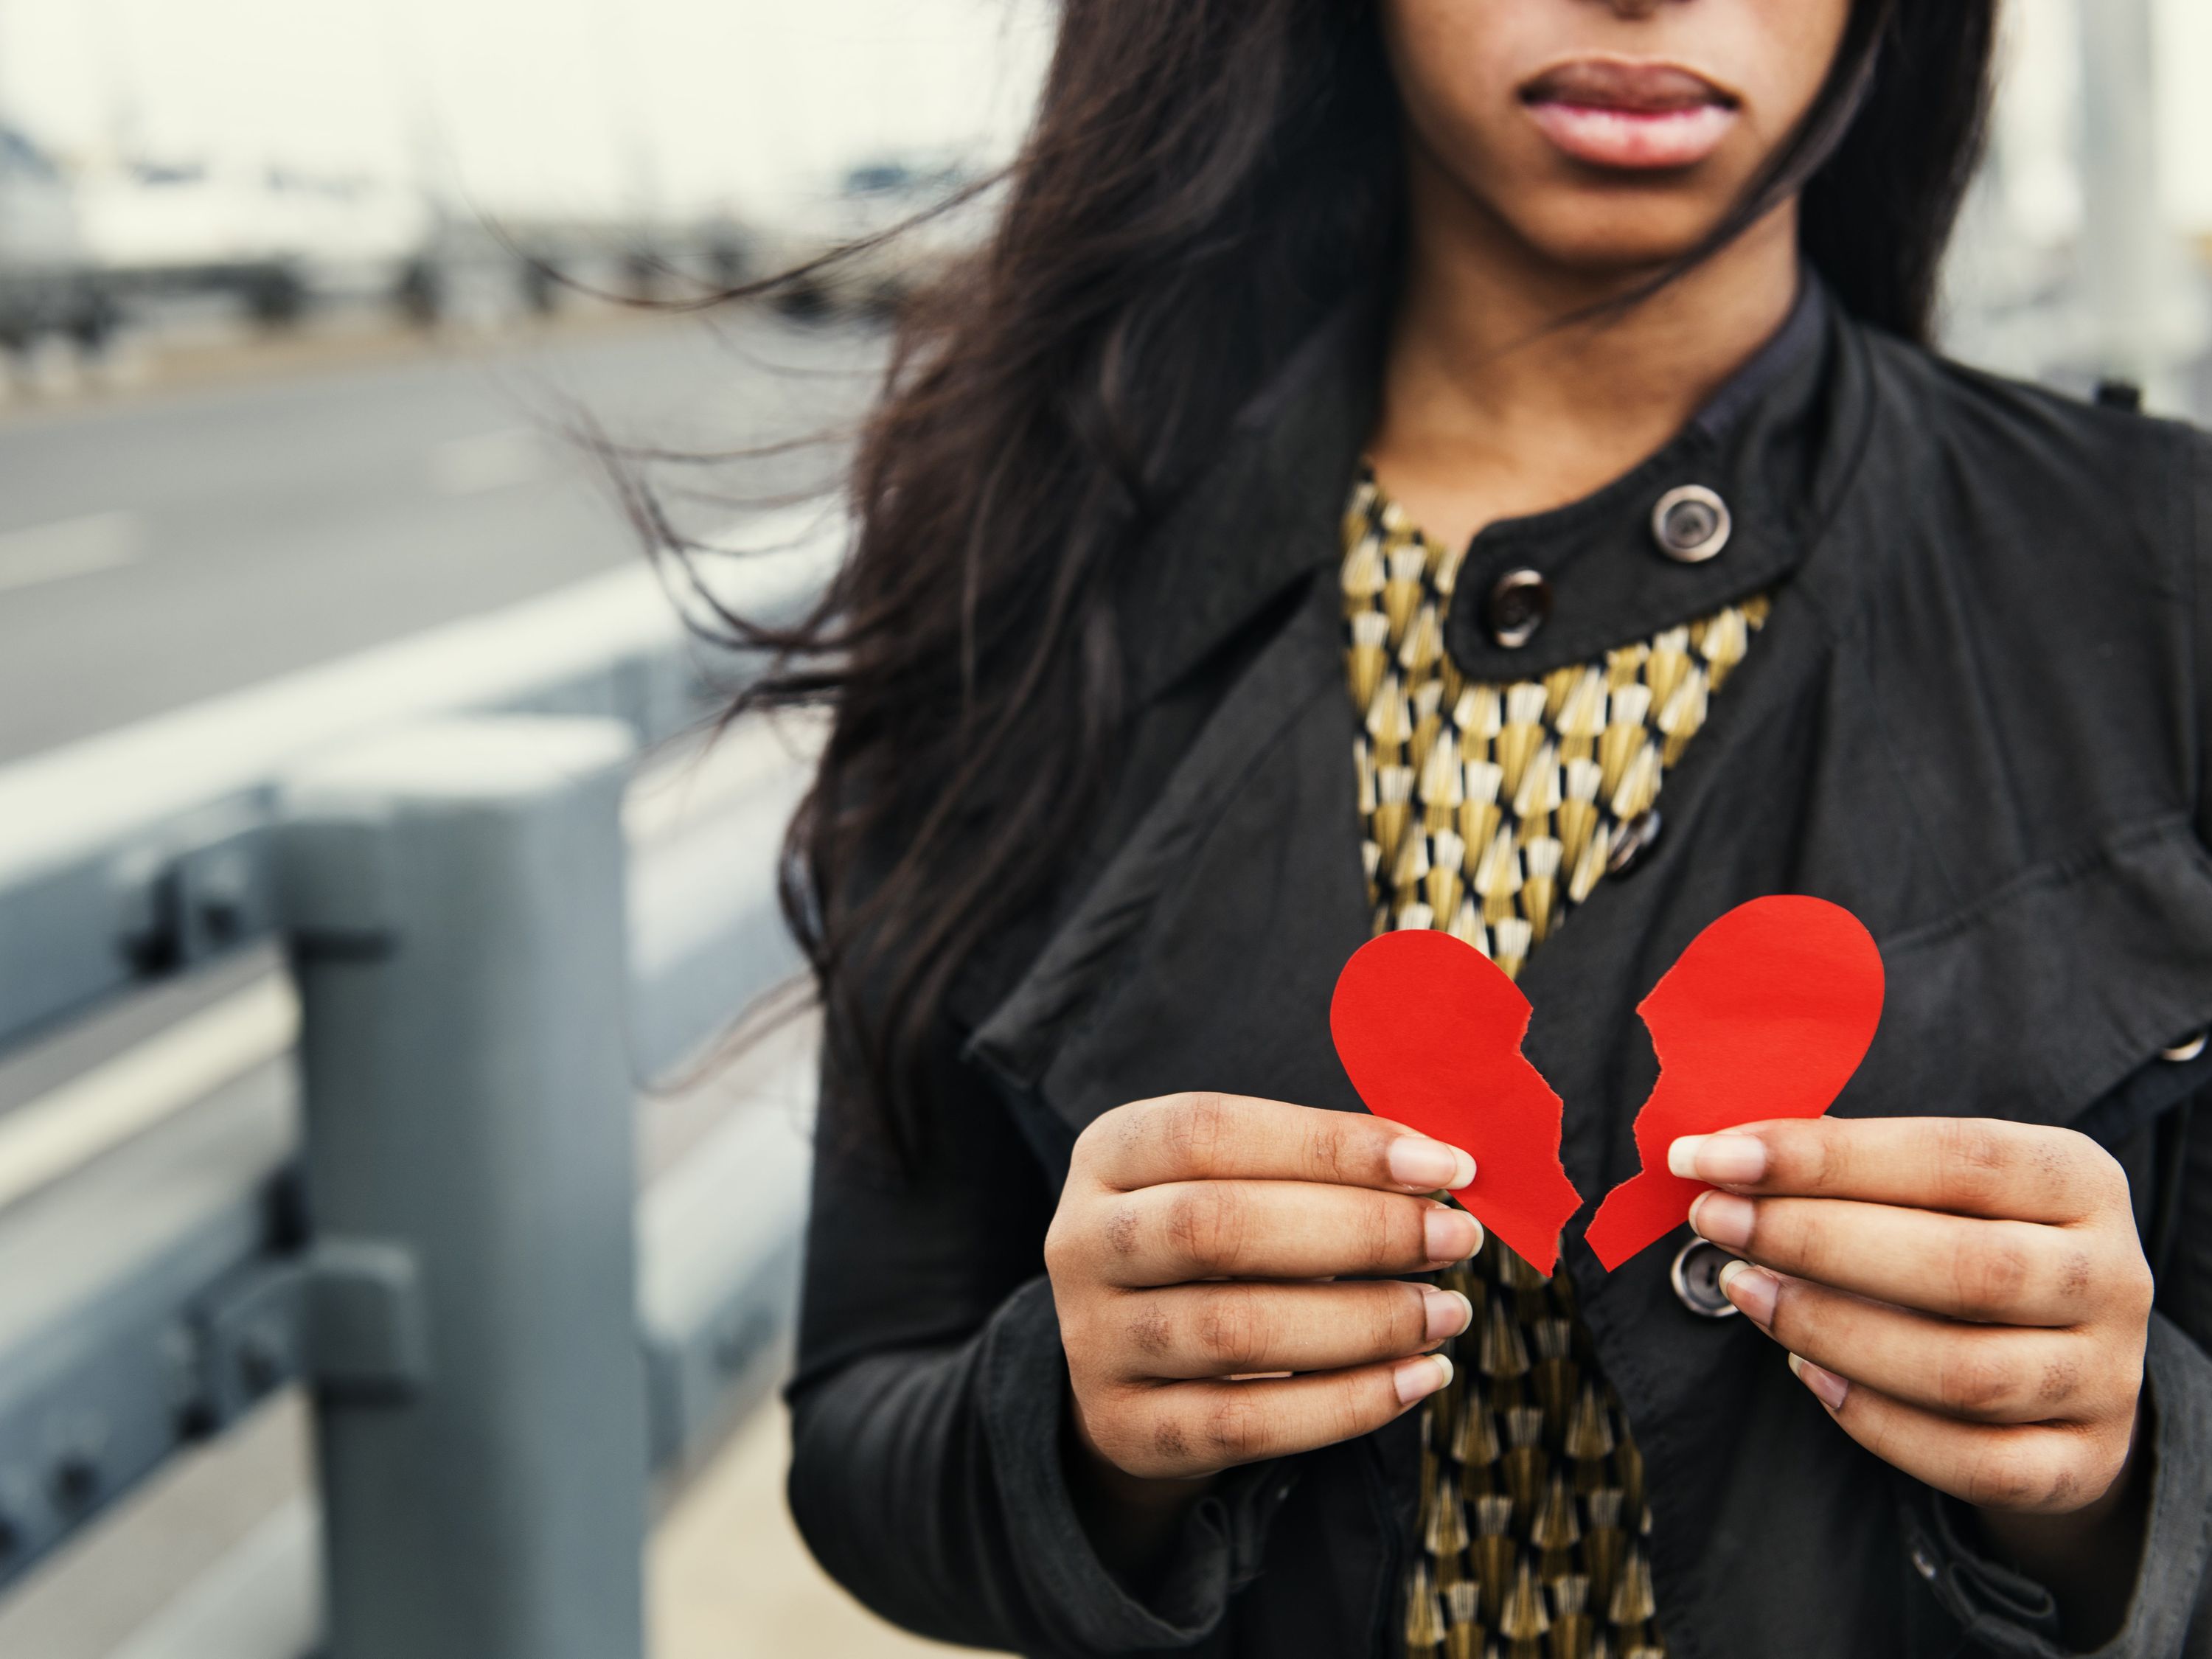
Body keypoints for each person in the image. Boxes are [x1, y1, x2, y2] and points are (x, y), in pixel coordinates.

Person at [759, 1, 2212, 1653]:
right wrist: (1084, 1435)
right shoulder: (1017, 581)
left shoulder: (2162, 573)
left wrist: (2116, 1472)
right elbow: (863, 1428)